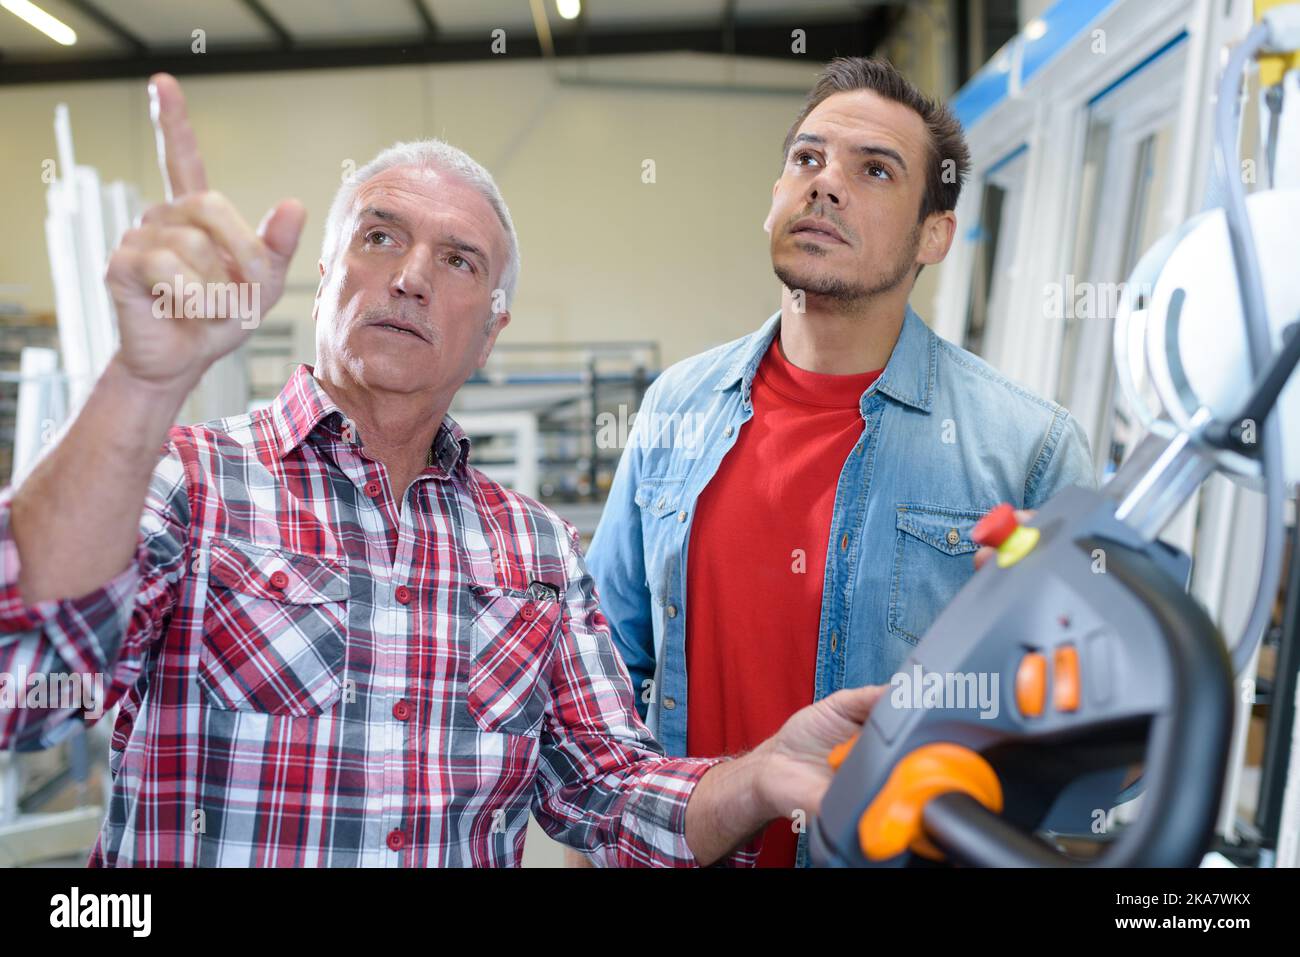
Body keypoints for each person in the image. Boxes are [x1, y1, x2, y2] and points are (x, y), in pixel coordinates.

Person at [0, 73, 885, 867]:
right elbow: (21, 691)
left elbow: (611, 791)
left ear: (491, 328)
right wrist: (141, 380)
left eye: (459, 260)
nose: (413, 278)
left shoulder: (534, 548)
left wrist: (763, 776)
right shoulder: (185, 485)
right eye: (381, 237)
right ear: (323, 276)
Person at [583, 57, 1096, 867]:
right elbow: (599, 681)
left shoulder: (1026, 448)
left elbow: (1097, 746)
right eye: (807, 159)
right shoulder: (675, 409)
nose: (825, 186)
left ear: (935, 233)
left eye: (875, 170)